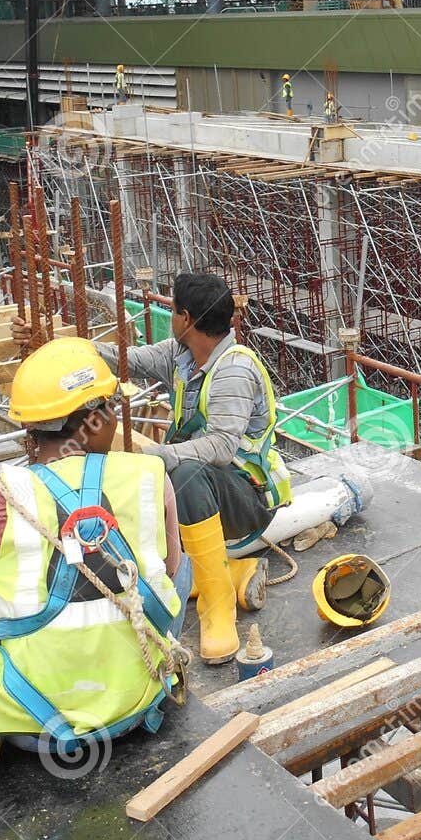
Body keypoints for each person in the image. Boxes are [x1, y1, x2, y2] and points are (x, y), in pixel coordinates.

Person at [0, 338, 189, 751]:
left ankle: (3, 713)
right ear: (94, 419)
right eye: (110, 407)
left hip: (39, 726)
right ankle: (153, 664)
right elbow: (167, 582)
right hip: (137, 698)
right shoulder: (149, 478)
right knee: (178, 568)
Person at [90, 273, 291, 665]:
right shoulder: (181, 355)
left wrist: (160, 457)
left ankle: (218, 610)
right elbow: (127, 362)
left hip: (245, 498)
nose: (169, 315)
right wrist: (73, 351)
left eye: (172, 309)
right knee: (166, 474)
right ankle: (223, 575)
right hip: (209, 489)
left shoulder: (233, 370)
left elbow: (219, 446)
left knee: (183, 472)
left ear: (186, 319)